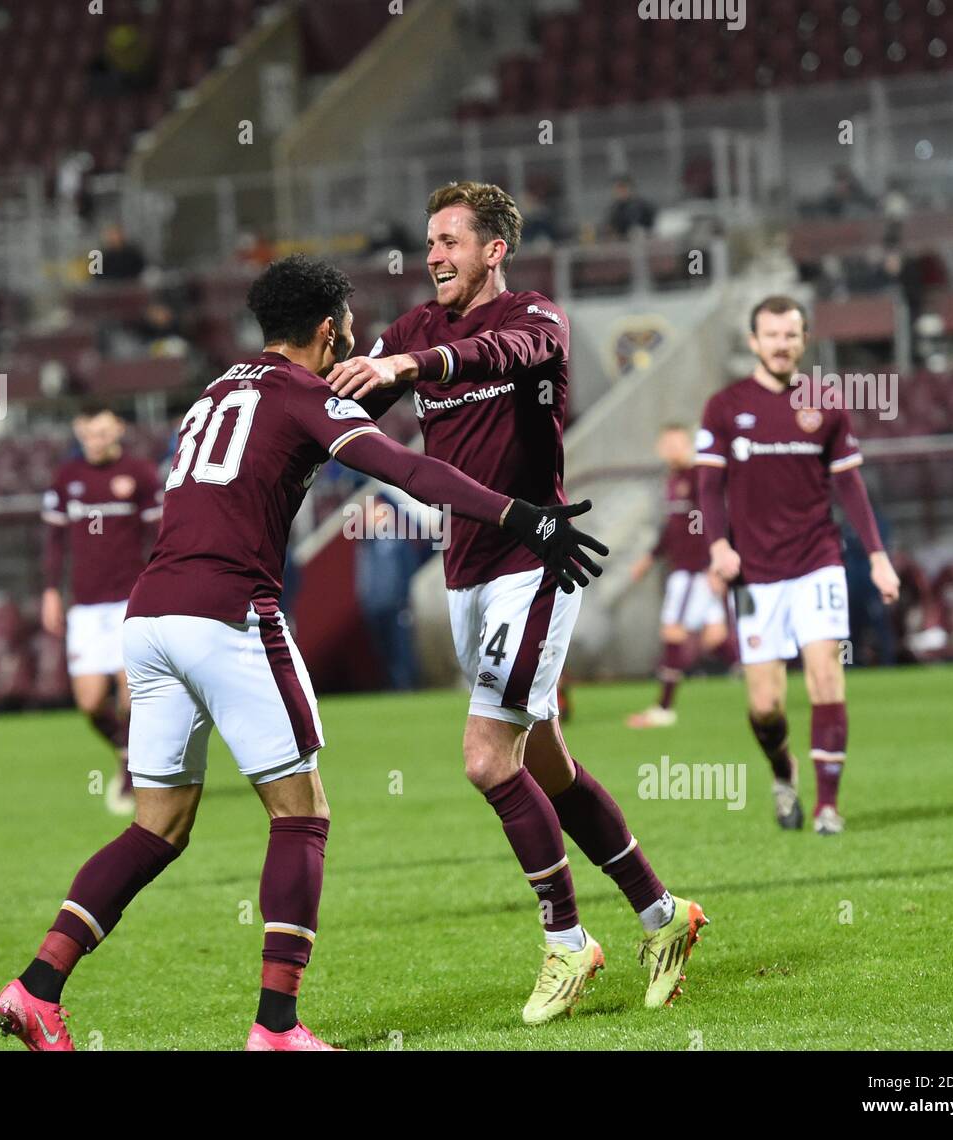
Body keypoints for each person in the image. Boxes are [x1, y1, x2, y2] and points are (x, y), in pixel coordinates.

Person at [0, 254, 605, 1051]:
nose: (355, 337)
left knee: (158, 826)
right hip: (228, 613)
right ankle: (277, 1027)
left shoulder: (215, 390)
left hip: (148, 620)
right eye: (347, 324)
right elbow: (407, 468)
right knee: (302, 816)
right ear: (327, 329)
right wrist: (521, 515)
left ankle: (37, 988)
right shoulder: (303, 393)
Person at [328, 182, 709, 1022]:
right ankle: (664, 914)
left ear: (493, 249)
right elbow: (343, 411)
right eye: (429, 242)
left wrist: (410, 364)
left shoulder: (537, 319)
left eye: (450, 241)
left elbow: (499, 357)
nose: (433, 256)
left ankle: (568, 943)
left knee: (485, 758)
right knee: (547, 765)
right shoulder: (413, 330)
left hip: (535, 558)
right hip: (463, 570)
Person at [695, 295, 900, 836]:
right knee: (765, 705)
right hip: (755, 574)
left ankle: (828, 806)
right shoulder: (724, 406)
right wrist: (718, 546)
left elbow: (850, 486)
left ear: (803, 339)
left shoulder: (825, 404)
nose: (782, 344)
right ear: (754, 341)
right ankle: (784, 771)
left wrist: (878, 557)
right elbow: (708, 487)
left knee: (826, 673)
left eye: (791, 335)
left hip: (818, 561)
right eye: (772, 335)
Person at [42, 404, 163, 814]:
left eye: (103, 433)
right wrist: (49, 591)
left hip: (130, 599)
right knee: (91, 703)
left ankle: (131, 778)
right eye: (89, 434)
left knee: (131, 690)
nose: (96, 441)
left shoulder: (141, 474)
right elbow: (55, 542)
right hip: (86, 607)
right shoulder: (67, 479)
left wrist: (158, 586)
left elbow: (158, 536)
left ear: (118, 430)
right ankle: (127, 752)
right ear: (80, 432)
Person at [625, 424, 732, 728]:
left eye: (678, 443)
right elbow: (673, 529)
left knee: (672, 632)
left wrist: (715, 566)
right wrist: (649, 557)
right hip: (685, 569)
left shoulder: (699, 476)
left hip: (693, 572)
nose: (673, 449)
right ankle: (767, 674)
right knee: (716, 638)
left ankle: (664, 708)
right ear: (660, 448)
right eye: (667, 443)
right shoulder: (672, 480)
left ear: (689, 444)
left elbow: (716, 521)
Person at [353, 494, 424, 691]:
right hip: (374, 606)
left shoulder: (397, 541)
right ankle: (395, 686)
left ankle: (408, 687)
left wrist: (404, 599)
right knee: (384, 651)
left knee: (401, 649)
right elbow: (364, 575)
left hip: (395, 604)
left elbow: (409, 569)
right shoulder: (366, 544)